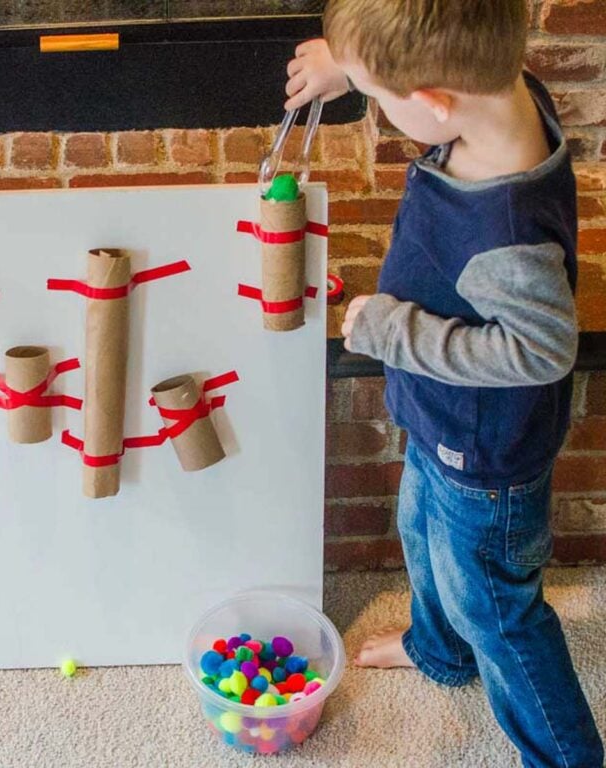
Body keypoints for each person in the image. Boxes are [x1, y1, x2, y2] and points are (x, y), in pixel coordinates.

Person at [286, 1, 604, 765]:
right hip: (444, 422)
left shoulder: (508, 234)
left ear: (433, 102)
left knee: (493, 606)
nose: (381, 111)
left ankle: (566, 755)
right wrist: (349, 65)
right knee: (422, 542)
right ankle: (440, 651)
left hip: (486, 460)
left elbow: (541, 351)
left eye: (381, 99)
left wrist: (389, 332)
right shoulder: (502, 92)